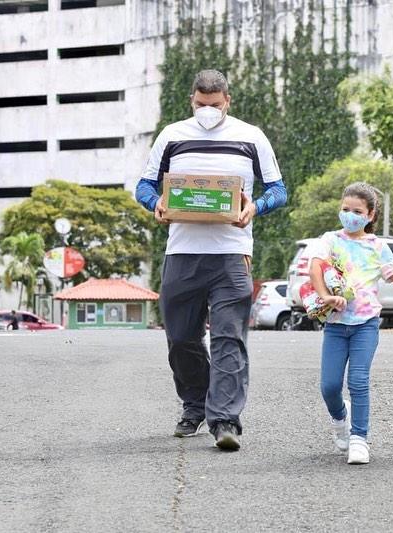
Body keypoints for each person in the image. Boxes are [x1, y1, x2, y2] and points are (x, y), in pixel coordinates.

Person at [135, 69, 287, 451]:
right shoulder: (172, 136)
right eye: (201, 105)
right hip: (182, 253)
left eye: (215, 105)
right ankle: (195, 404)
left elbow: (278, 189)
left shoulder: (251, 136)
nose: (207, 111)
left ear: (227, 102)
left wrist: (256, 207)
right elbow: (144, 186)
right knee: (181, 338)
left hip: (232, 255)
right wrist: (157, 204)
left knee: (228, 338)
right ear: (192, 100)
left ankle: (225, 421)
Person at [309, 182, 393, 464]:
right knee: (330, 386)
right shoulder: (331, 240)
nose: (350, 215)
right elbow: (315, 266)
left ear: (370, 215)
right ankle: (341, 421)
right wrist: (325, 296)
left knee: (358, 381)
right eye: (345, 209)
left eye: (357, 211)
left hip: (365, 325)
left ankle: (359, 439)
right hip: (336, 326)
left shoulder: (377, 247)